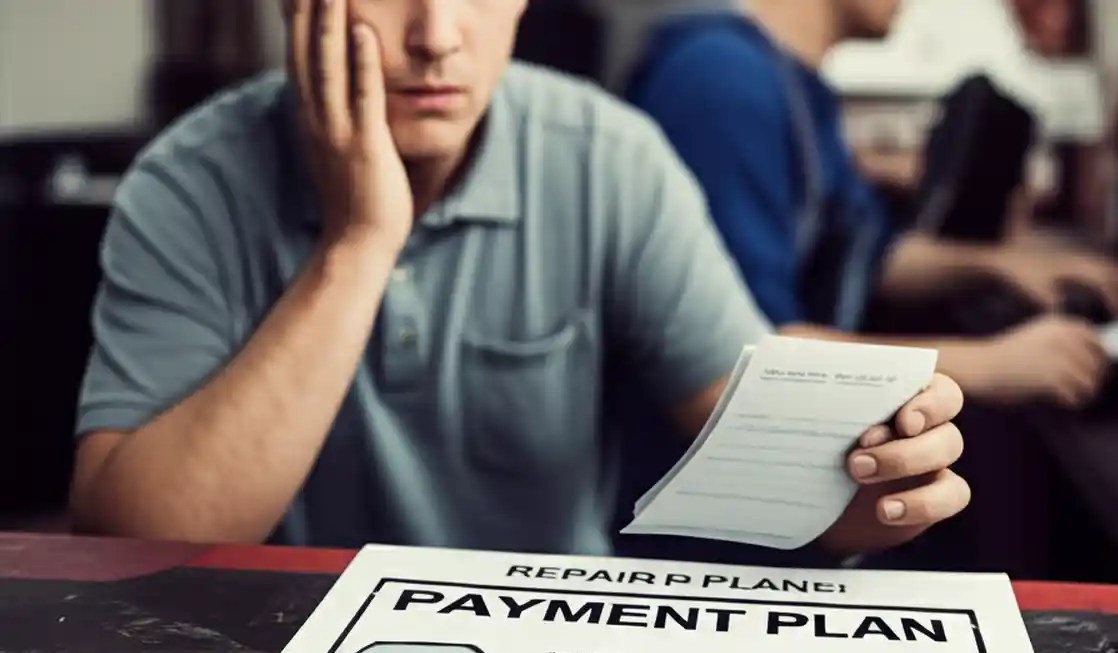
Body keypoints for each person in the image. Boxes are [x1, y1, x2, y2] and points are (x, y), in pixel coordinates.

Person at [68, 0, 967, 559]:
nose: (435, 36)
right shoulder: (189, 182)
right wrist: (360, 241)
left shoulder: (608, 157)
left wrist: (874, 487)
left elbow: (777, 462)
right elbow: (134, 548)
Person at [627, 0, 1118, 409]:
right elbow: (747, 354)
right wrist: (986, 364)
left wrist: (998, 267)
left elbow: (857, 256)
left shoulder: (797, 88)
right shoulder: (724, 82)